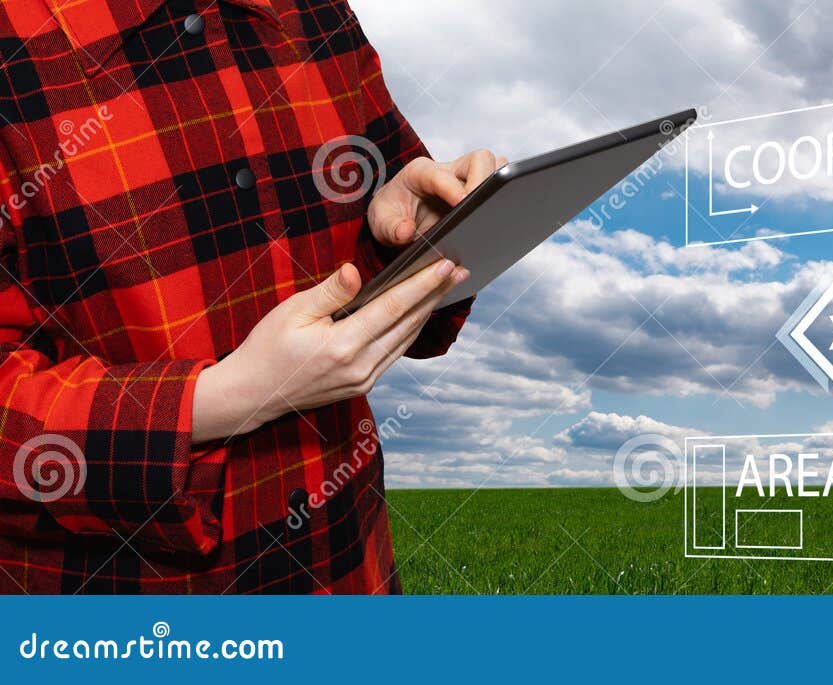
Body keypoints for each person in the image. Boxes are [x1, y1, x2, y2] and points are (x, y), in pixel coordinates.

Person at [0, 0, 502, 593]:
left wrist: (410, 232)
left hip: (348, 567)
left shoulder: (318, 12)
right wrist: (234, 396)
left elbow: (366, 263)